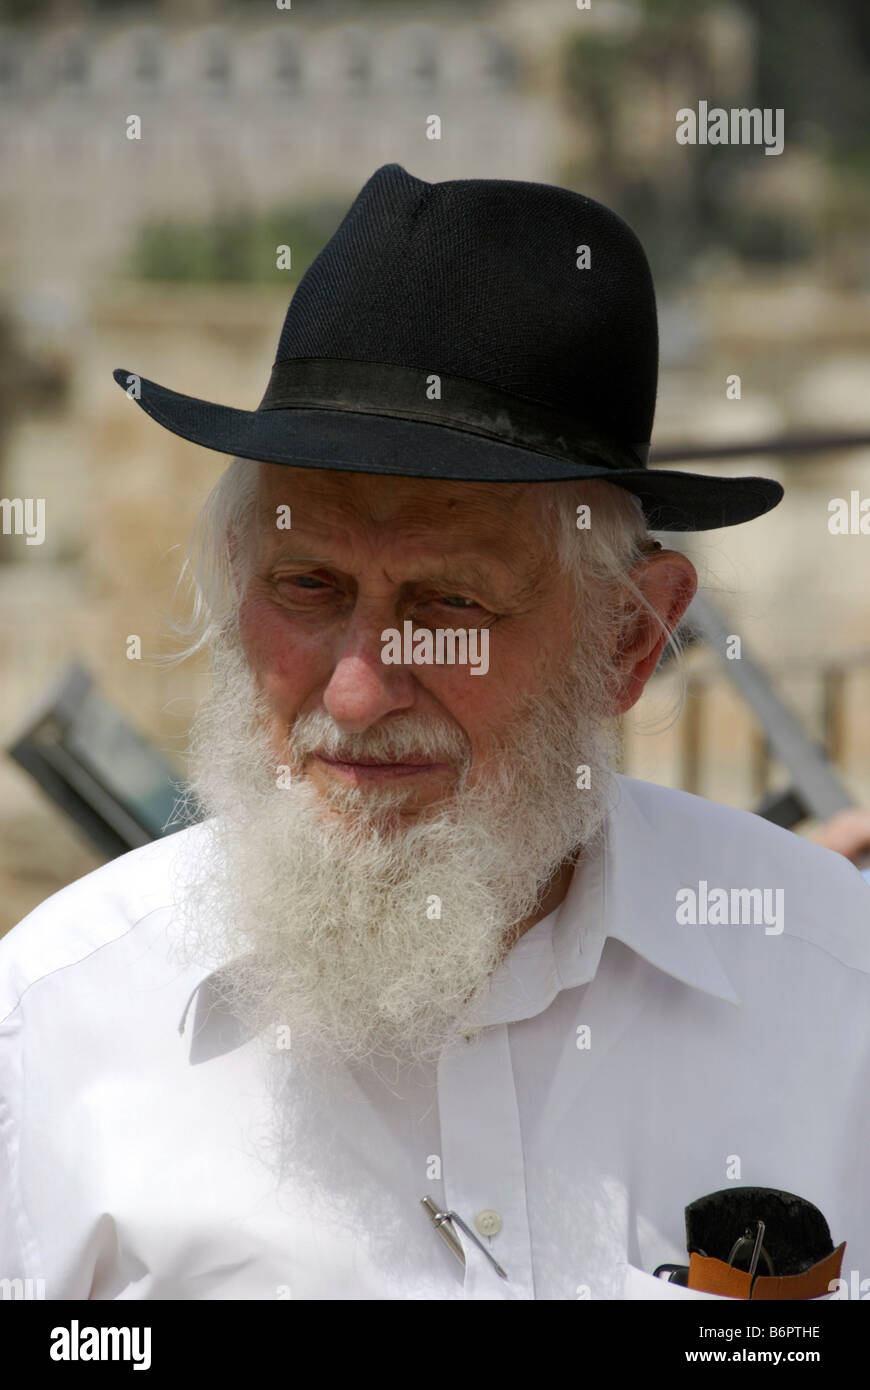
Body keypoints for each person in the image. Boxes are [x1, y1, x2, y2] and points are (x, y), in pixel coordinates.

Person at [1, 164, 868, 1301]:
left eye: (449, 605)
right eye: (308, 585)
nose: (357, 694)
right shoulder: (50, 1032)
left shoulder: (836, 997)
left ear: (630, 639)